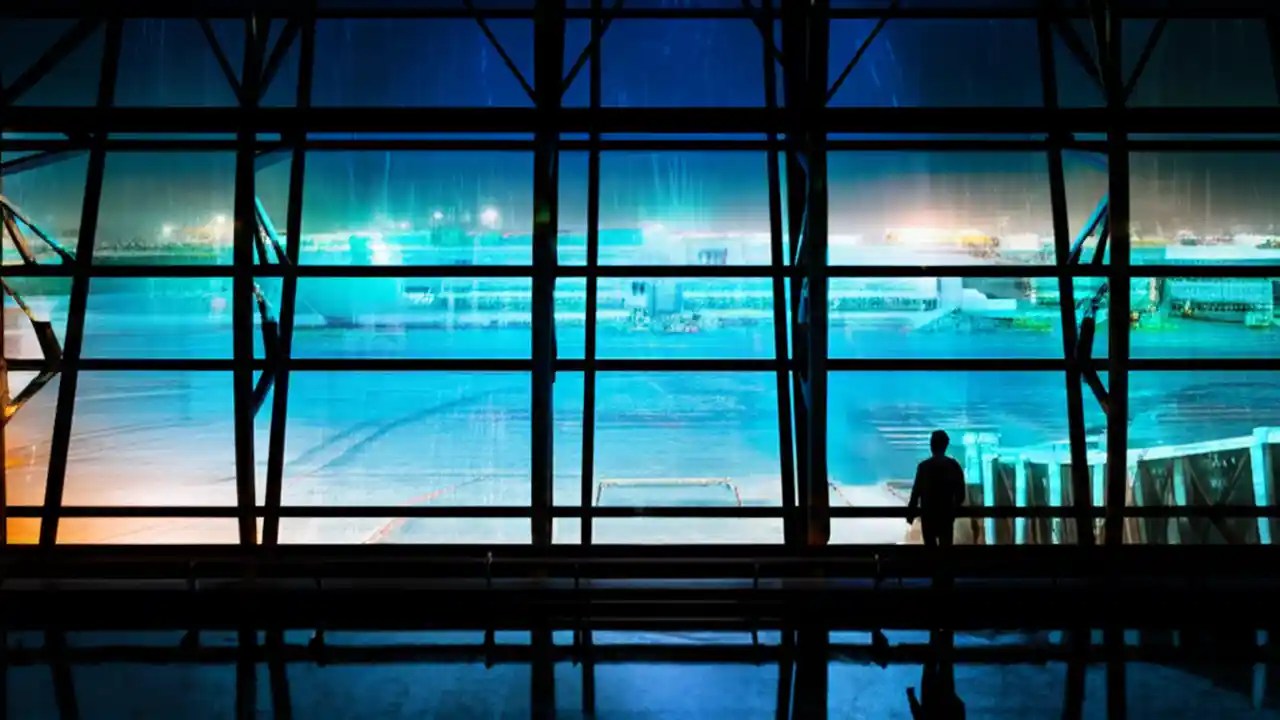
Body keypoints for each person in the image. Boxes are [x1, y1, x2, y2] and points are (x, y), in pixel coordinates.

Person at [906, 430, 966, 549]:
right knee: (945, 550)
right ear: (945, 445)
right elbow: (961, 494)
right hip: (946, 516)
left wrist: (910, 514)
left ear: (932, 445)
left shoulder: (924, 467)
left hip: (928, 516)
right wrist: (953, 508)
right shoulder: (954, 466)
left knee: (930, 553)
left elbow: (915, 493)